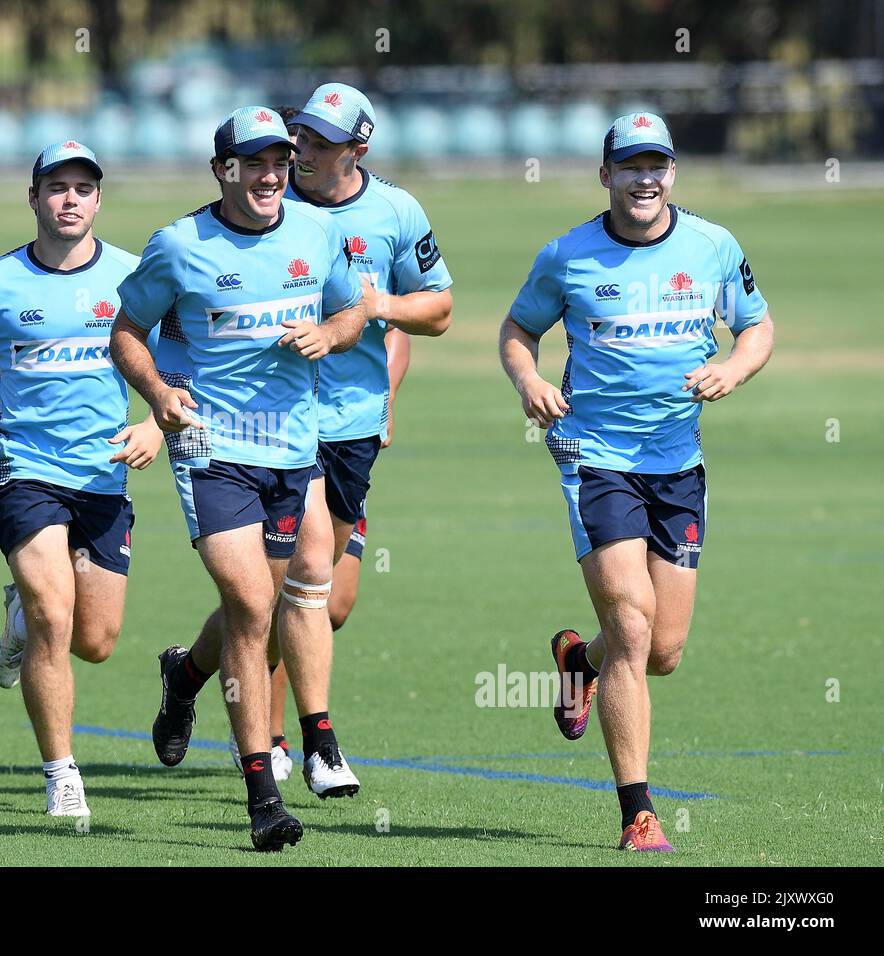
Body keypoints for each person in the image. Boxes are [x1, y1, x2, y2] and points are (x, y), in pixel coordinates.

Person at [499, 112, 774, 851]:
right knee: (629, 621)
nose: (645, 178)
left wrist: (734, 366)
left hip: (678, 462)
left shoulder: (714, 247)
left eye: (657, 165)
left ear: (672, 173)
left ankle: (574, 661)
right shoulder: (567, 256)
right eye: (630, 166)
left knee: (663, 650)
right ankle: (637, 811)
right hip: (596, 457)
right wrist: (527, 379)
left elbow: (756, 326)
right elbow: (518, 330)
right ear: (606, 175)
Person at [110, 107, 365, 851]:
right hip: (211, 448)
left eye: (280, 162)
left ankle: (185, 675)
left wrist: (329, 333)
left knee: (278, 602)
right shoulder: (179, 246)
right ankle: (263, 794)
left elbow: (352, 311)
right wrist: (158, 396)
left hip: (293, 451)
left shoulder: (315, 234)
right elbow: (125, 330)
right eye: (253, 163)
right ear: (223, 169)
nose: (270, 175)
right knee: (254, 606)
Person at [0, 141, 161, 817]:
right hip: (24, 472)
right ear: (33, 198)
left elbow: (176, 360)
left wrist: (156, 421)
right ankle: (62, 773)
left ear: (98, 200)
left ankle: (18, 622)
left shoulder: (133, 275)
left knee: (95, 640)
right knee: (52, 615)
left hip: (104, 477)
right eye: (56, 187)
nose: (70, 199)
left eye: (83, 188)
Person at [248, 85, 451, 792]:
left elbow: (436, 310)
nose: (300, 150)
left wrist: (378, 308)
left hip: (351, 424)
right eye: (300, 134)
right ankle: (284, 741)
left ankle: (187, 672)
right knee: (288, 585)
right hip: (270, 422)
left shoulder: (397, 211)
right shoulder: (268, 200)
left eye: (320, 142)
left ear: (356, 150)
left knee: (328, 601)